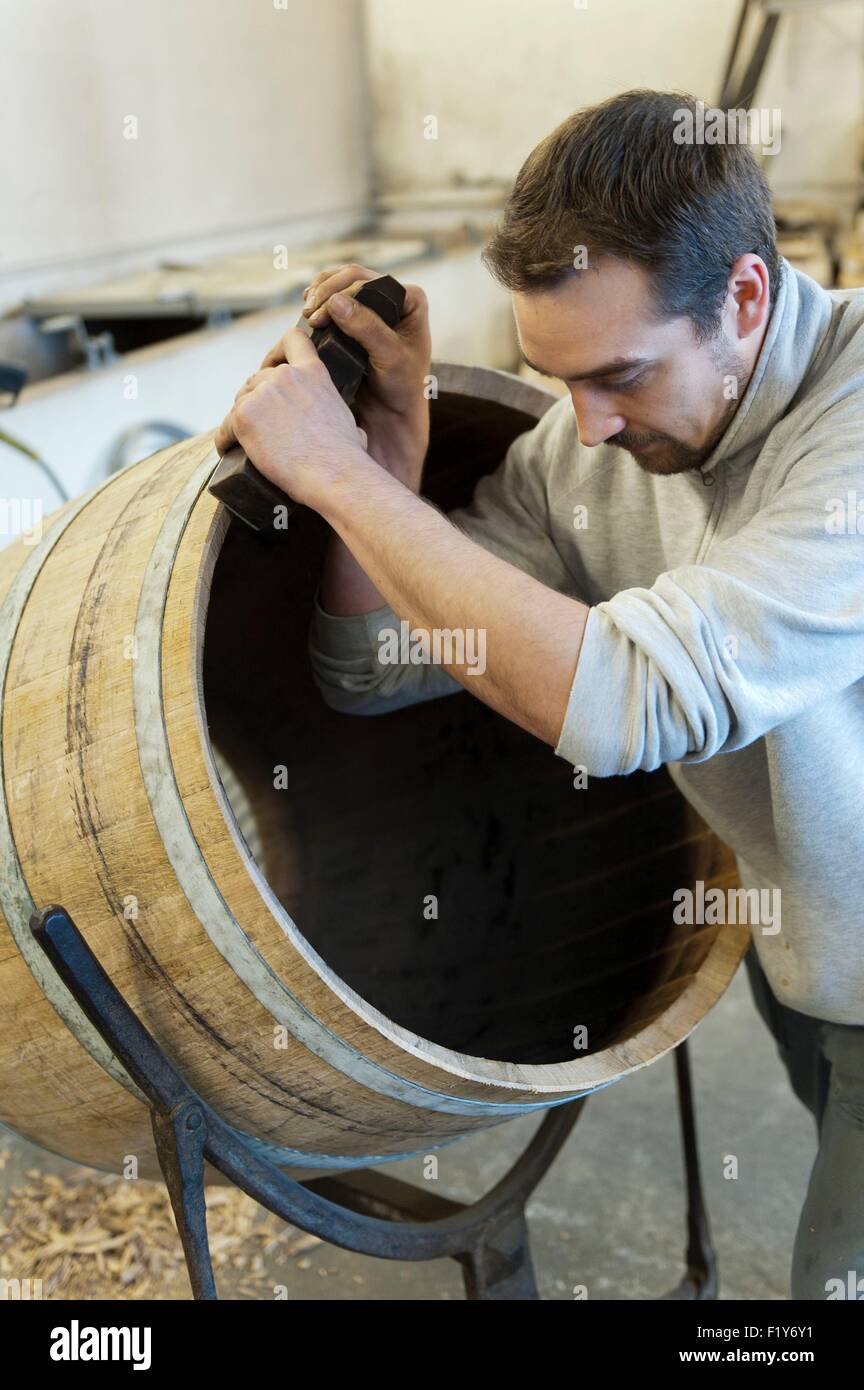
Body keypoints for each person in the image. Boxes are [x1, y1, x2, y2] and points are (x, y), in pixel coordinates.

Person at [215, 89, 864, 1300]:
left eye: (620, 373)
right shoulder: (588, 448)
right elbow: (372, 669)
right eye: (554, 378)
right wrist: (388, 456)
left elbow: (635, 703)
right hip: (823, 954)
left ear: (744, 297)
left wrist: (338, 488)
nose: (588, 425)